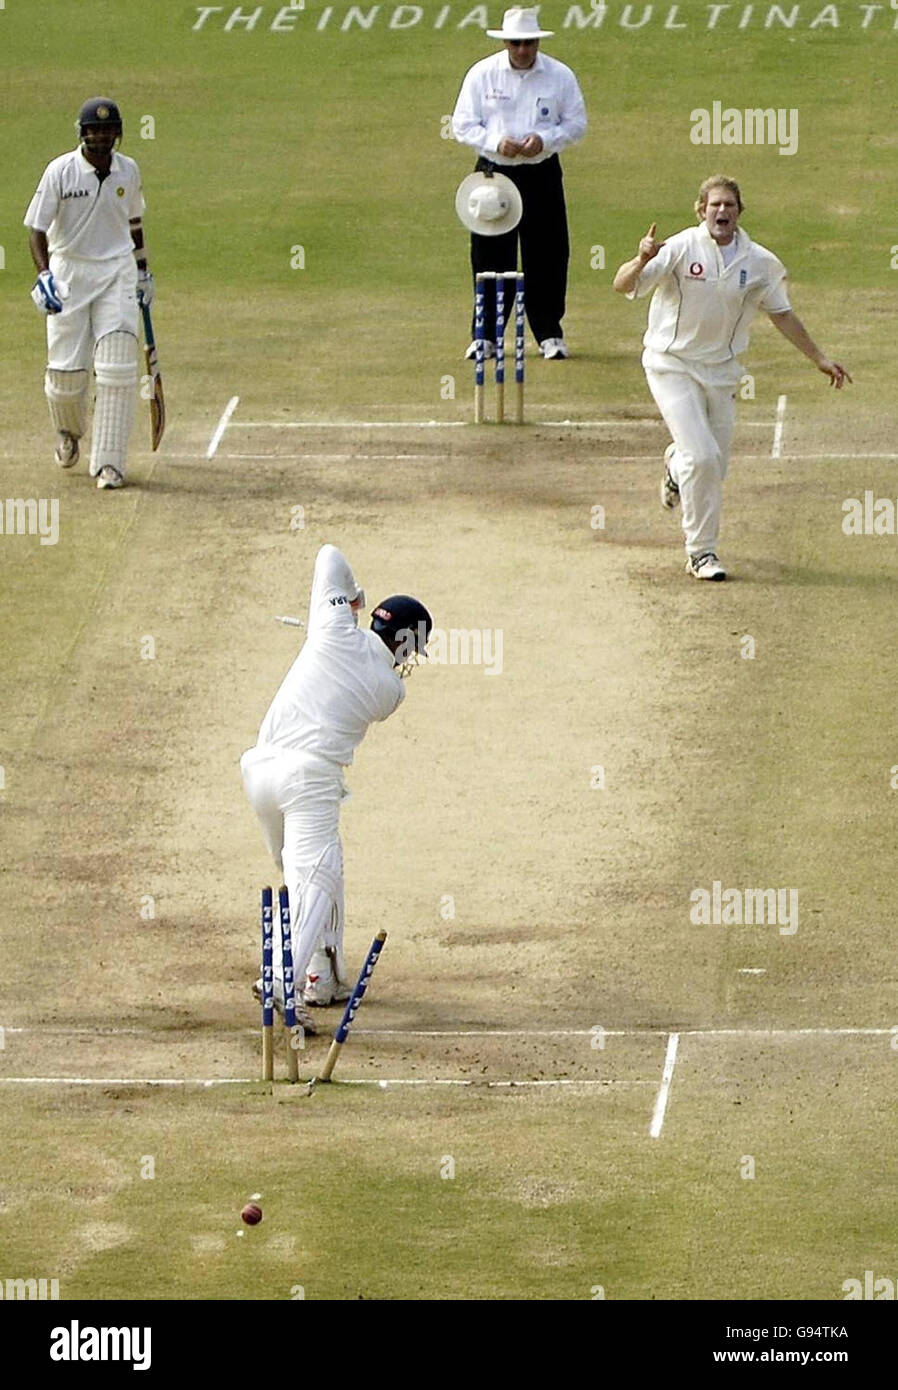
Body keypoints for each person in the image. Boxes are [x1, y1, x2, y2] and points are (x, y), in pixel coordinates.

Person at [613, 175, 851, 580]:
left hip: (722, 373)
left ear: (740, 212)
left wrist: (819, 358)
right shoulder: (679, 247)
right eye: (715, 205)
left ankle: (675, 466)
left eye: (729, 206)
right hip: (671, 365)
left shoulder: (760, 262)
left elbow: (782, 314)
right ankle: (701, 554)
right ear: (701, 210)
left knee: (713, 467)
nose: (722, 212)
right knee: (703, 458)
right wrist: (640, 260)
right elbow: (622, 285)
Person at [241, 545, 432, 1033]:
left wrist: (347, 602)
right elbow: (368, 668)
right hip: (308, 782)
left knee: (314, 876)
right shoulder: (391, 691)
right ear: (407, 648)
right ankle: (282, 982)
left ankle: (319, 976)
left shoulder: (332, 631)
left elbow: (329, 554)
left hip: (259, 772)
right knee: (320, 877)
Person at [24, 98, 154, 491]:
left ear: (117, 133)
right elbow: (36, 228)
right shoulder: (60, 171)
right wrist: (45, 275)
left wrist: (144, 272)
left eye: (108, 129)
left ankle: (109, 465)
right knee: (66, 374)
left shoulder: (127, 170)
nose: (101, 135)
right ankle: (68, 431)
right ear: (82, 133)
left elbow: (134, 223)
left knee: (116, 367)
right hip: (70, 272)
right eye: (94, 130)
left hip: (116, 270)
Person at [451, 7, 587, 361]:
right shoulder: (482, 74)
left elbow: (576, 124)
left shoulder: (559, 75)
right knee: (490, 254)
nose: (523, 50)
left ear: (537, 41)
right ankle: (486, 336)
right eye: (516, 43)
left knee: (549, 252)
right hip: (494, 176)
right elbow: (463, 124)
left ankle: (548, 333)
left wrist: (545, 139)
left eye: (529, 43)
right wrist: (497, 142)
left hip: (541, 173)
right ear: (506, 42)